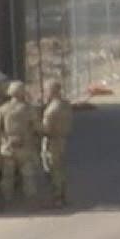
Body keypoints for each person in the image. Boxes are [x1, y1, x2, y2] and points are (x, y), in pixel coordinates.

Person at [0, 81, 38, 205]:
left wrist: (3, 138)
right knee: (28, 175)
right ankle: (31, 202)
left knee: (7, 176)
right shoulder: (28, 109)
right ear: (22, 93)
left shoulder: (3, 109)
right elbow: (37, 126)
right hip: (25, 148)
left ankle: (6, 201)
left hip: (8, 148)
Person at [40, 80, 74, 208]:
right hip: (62, 140)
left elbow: (46, 129)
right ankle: (62, 196)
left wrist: (35, 127)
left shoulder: (51, 110)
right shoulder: (65, 105)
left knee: (54, 170)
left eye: (46, 90)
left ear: (52, 91)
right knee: (60, 169)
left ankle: (57, 198)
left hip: (52, 142)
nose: (44, 93)